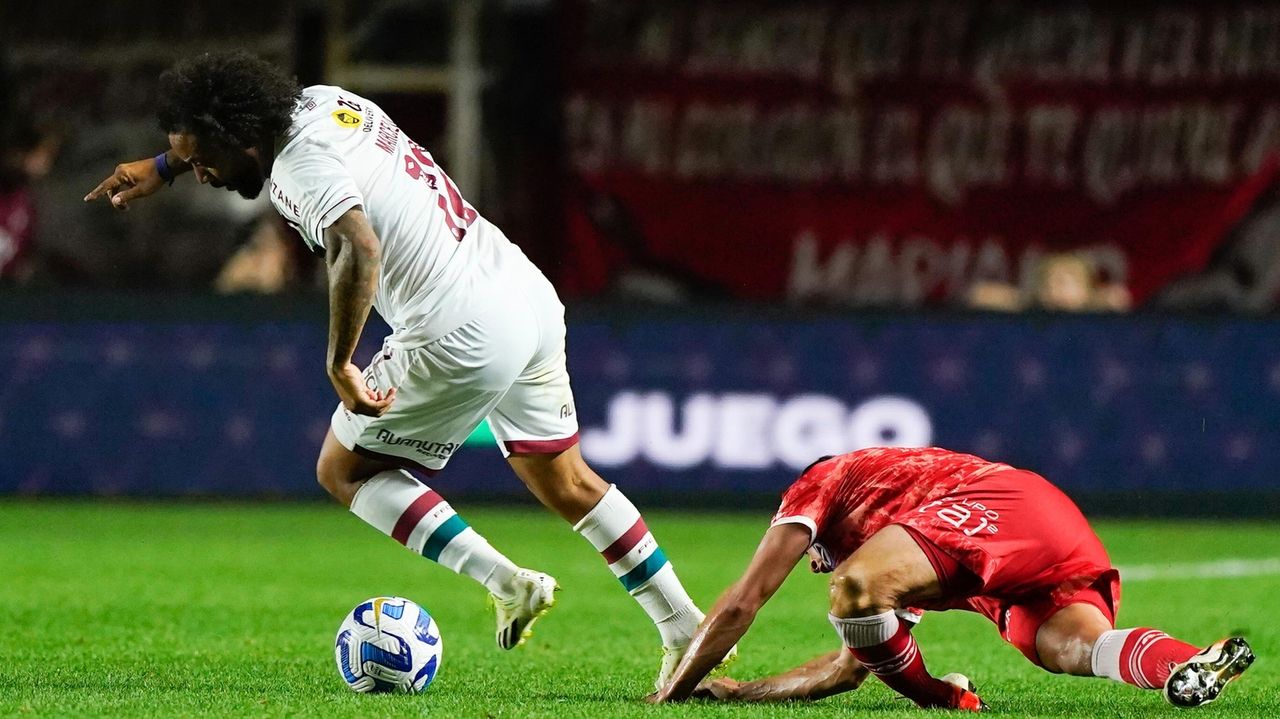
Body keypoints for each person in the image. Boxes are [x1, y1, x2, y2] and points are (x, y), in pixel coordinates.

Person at [84, 51, 705, 686]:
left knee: (343, 470)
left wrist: (340, 361)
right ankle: (684, 627)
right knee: (567, 480)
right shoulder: (322, 103)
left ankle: (506, 581)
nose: (203, 172)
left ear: (241, 137)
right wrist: (163, 166)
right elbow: (242, 152)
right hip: (521, 292)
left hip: (457, 326)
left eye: (201, 157)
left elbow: (357, 244)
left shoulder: (299, 166)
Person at [653, 447, 1255, 710]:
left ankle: (946, 698)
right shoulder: (904, 550)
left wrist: (672, 694)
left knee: (855, 589)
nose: (815, 561)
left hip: (1000, 504)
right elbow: (847, 667)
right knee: (1072, 647)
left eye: (815, 548)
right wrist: (740, 692)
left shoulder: (824, 480)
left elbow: (743, 602)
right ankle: (1185, 663)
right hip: (1041, 530)